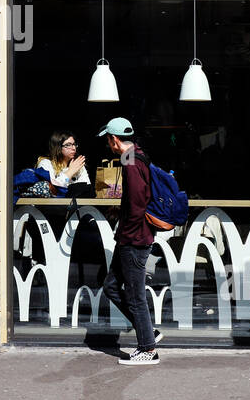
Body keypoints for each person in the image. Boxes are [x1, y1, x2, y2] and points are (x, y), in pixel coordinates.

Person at [99, 117, 161, 365]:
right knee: (111, 287)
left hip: (134, 239)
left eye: (108, 140)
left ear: (114, 139)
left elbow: (137, 205)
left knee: (135, 296)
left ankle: (148, 349)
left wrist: (127, 236)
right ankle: (148, 333)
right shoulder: (137, 154)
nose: (108, 144)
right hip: (131, 236)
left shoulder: (131, 162)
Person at [37, 131, 92, 197]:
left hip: (76, 204)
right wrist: (70, 172)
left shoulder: (77, 164)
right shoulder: (46, 163)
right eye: (68, 145)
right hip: (52, 204)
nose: (74, 148)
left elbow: (86, 190)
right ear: (58, 147)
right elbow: (50, 191)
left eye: (74, 144)